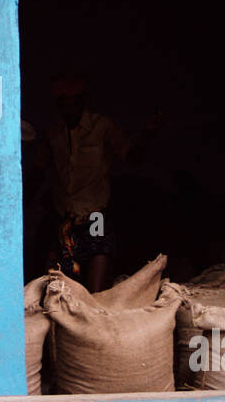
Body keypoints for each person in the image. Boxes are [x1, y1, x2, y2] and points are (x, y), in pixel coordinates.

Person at [41, 75, 160, 293]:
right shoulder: (52, 133)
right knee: (62, 290)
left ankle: (96, 308)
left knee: (98, 270)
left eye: (73, 102)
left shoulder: (102, 126)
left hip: (95, 214)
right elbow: (41, 170)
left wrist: (147, 135)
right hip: (65, 219)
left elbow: (132, 158)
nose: (69, 108)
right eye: (63, 103)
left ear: (82, 101)